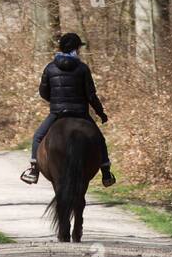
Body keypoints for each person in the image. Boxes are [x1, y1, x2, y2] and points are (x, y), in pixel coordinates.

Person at [20, 32, 116, 187]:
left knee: (38, 137)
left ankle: (33, 170)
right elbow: (91, 95)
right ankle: (105, 172)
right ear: (77, 49)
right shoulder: (83, 68)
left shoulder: (50, 68)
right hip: (80, 114)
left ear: (61, 48)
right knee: (99, 139)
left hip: (57, 113)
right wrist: (100, 113)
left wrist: (56, 101)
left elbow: (43, 92)